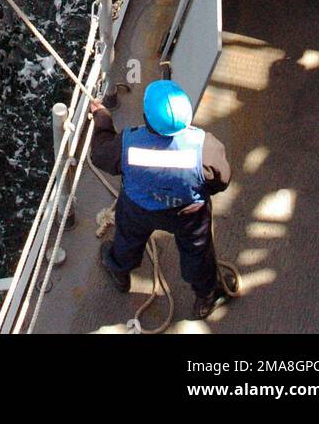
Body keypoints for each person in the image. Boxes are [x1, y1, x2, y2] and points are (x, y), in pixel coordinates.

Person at [90, 79, 231, 319]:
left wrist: (102, 119)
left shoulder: (127, 144)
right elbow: (222, 181)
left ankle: (119, 272)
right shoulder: (205, 147)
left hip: (138, 208)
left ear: (147, 118)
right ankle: (207, 297)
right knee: (197, 253)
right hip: (188, 213)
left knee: (127, 240)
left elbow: (100, 155)